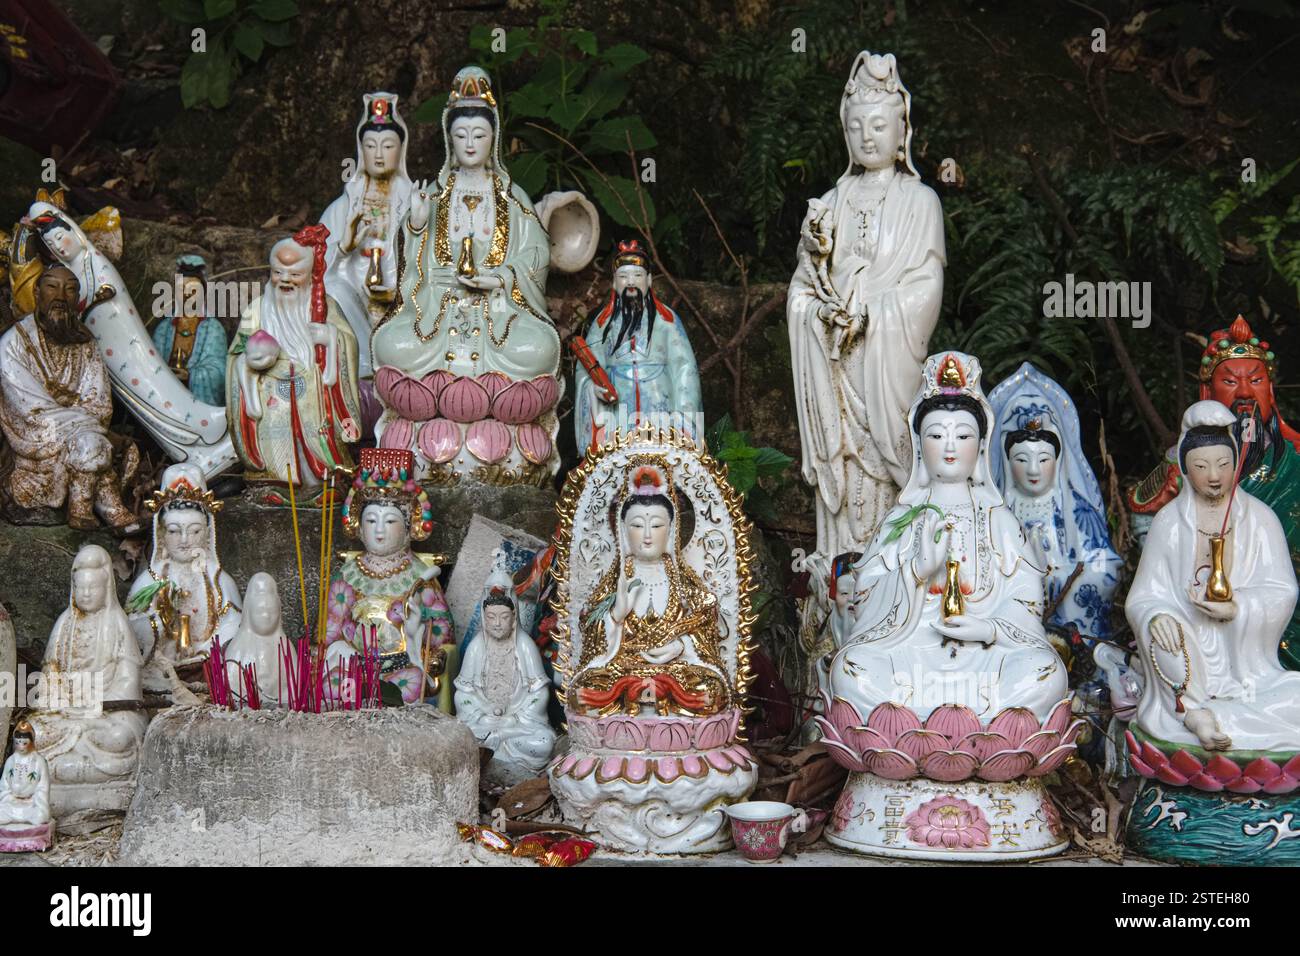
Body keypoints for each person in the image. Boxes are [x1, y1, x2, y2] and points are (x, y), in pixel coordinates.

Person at [826, 352, 1067, 722]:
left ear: (982, 446)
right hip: (911, 657)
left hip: (987, 660)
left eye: (964, 435)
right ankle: (957, 728)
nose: (950, 446)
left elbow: (1029, 602)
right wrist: (915, 574)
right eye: (937, 434)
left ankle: (911, 726)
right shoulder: (900, 520)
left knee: (1045, 672)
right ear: (920, 446)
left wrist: (988, 628)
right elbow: (865, 598)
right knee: (851, 670)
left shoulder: (1000, 522)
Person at [787, 50, 946, 561]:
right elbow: (802, 288)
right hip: (834, 361)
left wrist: (874, 312)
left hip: (885, 361)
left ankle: (895, 570)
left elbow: (926, 286)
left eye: (880, 125)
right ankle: (836, 574)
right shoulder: (829, 203)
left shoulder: (920, 202)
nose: (868, 137)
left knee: (889, 454)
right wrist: (816, 313)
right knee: (844, 467)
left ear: (903, 133)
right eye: (857, 127)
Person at [1126, 400, 1300, 752]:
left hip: (1248, 669)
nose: (1214, 476)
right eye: (1201, 466)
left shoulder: (1260, 518)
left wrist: (1239, 609)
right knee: (1163, 636)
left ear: (1236, 463)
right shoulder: (1170, 522)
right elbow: (1144, 595)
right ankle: (1192, 709)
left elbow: (1283, 590)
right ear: (1186, 471)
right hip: (1189, 651)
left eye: (1223, 464)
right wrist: (1156, 615)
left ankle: (1213, 716)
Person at [1129, 315, 1300, 670]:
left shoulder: (1295, 462)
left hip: (1275, 617)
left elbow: (1282, 587)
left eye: (1256, 381)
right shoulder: (1179, 469)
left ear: (1270, 389)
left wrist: (1246, 602)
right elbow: (1147, 535)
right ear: (1209, 390)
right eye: (1230, 382)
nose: (1245, 393)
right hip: (1193, 609)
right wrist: (1176, 587)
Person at [569, 461, 731, 717]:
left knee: (712, 693)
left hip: (676, 671)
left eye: (656, 525)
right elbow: (590, 635)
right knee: (584, 693)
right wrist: (615, 617)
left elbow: (706, 630)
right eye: (636, 525)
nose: (646, 535)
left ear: (671, 531)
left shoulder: (684, 583)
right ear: (623, 532)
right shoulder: (615, 581)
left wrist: (680, 647)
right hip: (622, 669)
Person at [227, 227, 362, 501]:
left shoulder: (326, 306)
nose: (285, 281)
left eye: (295, 275)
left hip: (312, 388)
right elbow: (236, 355)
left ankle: (323, 482)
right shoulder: (257, 309)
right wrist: (250, 361)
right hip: (271, 391)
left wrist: (331, 337)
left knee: (315, 436)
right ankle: (273, 484)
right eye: (278, 273)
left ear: (311, 274)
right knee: (277, 440)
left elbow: (349, 341)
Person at [0, 262, 138, 530]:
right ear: (37, 294)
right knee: (92, 442)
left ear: (77, 299)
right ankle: (102, 508)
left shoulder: (85, 343)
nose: (61, 297)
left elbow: (98, 402)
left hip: (85, 434)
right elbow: (29, 410)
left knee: (91, 441)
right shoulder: (13, 344)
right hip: (37, 437)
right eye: (52, 287)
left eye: (70, 290)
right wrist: (82, 426)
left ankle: (83, 508)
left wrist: (85, 427)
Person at [28, 544, 148, 814]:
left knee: (119, 738)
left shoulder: (117, 623)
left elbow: (129, 682)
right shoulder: (64, 623)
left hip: (107, 713)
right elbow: (51, 676)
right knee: (33, 733)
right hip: (67, 712)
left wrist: (96, 705)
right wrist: (59, 702)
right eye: (80, 587)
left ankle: (71, 776)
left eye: (92, 588)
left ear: (106, 588)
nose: (85, 594)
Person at [573, 239, 702, 452]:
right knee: (617, 461)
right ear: (614, 283)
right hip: (618, 411)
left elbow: (684, 368)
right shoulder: (602, 323)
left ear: (649, 280)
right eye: (623, 277)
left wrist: (684, 414)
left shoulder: (666, 320)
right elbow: (586, 369)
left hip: (660, 403)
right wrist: (593, 389)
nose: (631, 282)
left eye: (638, 276)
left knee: (662, 458)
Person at [455, 564, 555, 782]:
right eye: (491, 617)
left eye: (504, 617)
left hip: (518, 728)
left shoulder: (525, 646)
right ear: (483, 617)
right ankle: (491, 752)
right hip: (483, 724)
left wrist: (514, 719)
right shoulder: (476, 647)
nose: (498, 624)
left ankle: (498, 756)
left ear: (514, 616)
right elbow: (463, 695)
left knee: (544, 742)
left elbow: (539, 693)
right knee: (457, 740)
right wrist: (482, 715)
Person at [150, 254, 228, 407]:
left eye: (193, 290)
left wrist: (190, 376)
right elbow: (151, 364)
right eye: (181, 289)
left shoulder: (213, 329)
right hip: (165, 397)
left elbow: (219, 372)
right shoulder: (164, 328)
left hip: (196, 403)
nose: (187, 295)